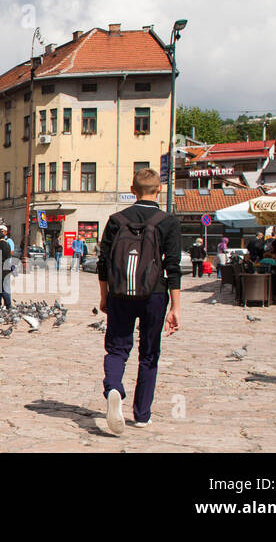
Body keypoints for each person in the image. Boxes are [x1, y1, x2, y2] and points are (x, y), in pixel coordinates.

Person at [97, 167, 181, 434]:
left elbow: (103, 263)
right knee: (149, 353)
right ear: (159, 190)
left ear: (132, 191)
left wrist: (104, 296)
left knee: (117, 349)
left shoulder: (116, 220)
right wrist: (175, 307)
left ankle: (113, 388)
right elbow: (174, 267)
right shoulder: (167, 221)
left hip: (120, 292)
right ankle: (142, 413)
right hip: (154, 294)